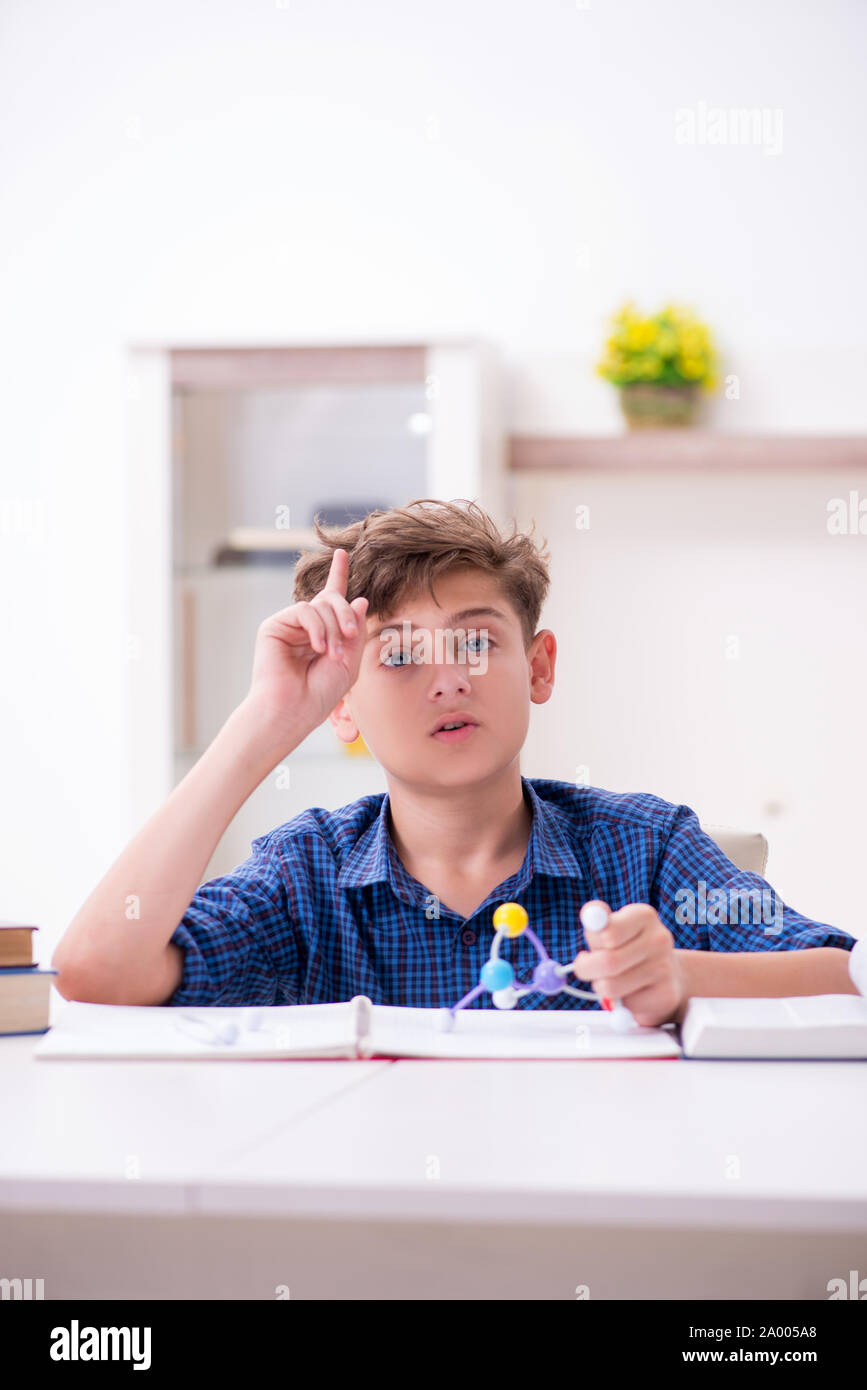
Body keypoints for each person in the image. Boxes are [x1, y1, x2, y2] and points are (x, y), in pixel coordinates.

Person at [52, 498, 859, 1024]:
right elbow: (96, 969)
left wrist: (682, 977)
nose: (447, 681)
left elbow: (841, 979)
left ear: (538, 667)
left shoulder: (643, 847)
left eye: (476, 642)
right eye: (396, 656)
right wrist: (265, 722)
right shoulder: (304, 876)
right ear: (343, 706)